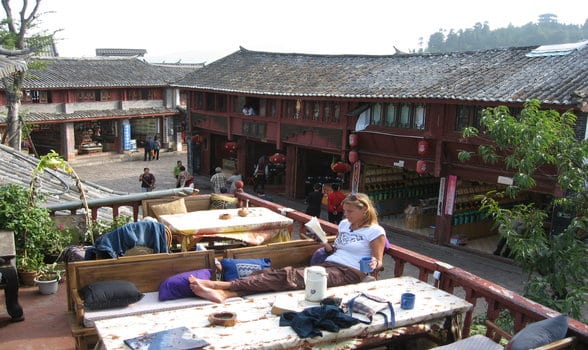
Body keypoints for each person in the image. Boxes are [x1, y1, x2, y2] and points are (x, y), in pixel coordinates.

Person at [188, 192, 386, 303]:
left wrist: (373, 263)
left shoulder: (375, 232)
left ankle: (219, 286)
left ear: (364, 210)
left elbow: (378, 264)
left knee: (287, 276)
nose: (346, 215)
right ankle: (227, 294)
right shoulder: (344, 225)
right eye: (345, 211)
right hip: (328, 265)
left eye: (350, 211)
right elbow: (337, 250)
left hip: (348, 273)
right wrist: (324, 243)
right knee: (279, 275)